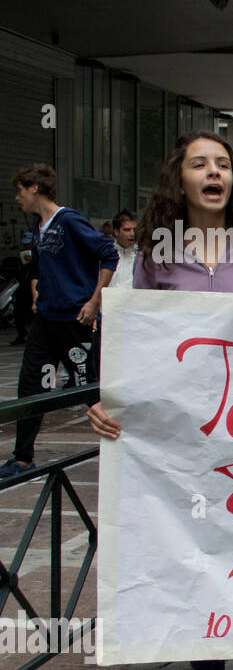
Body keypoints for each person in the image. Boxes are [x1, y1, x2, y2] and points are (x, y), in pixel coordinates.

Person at [85, 130, 233, 670]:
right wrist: (109, 397)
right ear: (181, 178)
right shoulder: (154, 256)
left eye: (223, 163)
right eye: (200, 164)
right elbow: (134, 337)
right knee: (194, 547)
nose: (213, 172)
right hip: (182, 431)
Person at [1, 164, 117, 481]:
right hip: (45, 323)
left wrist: (94, 301)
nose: (17, 197)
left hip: (74, 321)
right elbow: (38, 268)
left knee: (89, 390)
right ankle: (23, 459)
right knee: (31, 389)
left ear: (34, 188)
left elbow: (109, 254)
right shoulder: (39, 227)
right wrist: (37, 293)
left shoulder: (68, 221)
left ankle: (124, 450)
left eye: (19, 190)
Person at [107, 210, 137, 290]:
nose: (132, 234)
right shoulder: (107, 254)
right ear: (116, 232)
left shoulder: (141, 257)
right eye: (127, 230)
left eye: (134, 230)